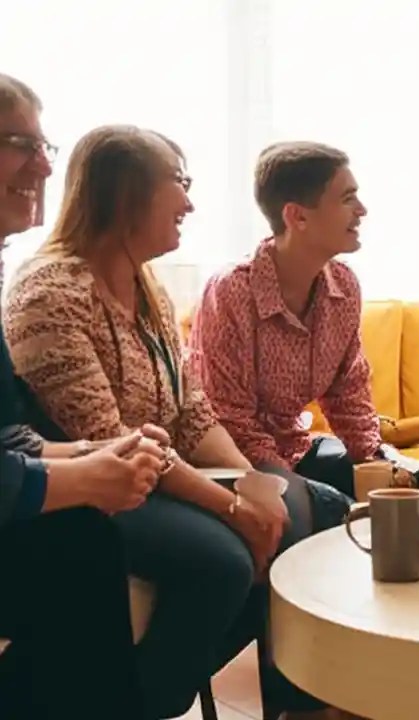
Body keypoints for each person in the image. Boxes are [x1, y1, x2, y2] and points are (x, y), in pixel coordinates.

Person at [3, 124, 349, 719]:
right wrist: (233, 508)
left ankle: (295, 707)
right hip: (97, 487)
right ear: (126, 193)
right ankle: (146, 700)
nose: (189, 202)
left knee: (308, 509)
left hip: (163, 469)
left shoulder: (149, 288)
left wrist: (252, 485)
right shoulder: (50, 290)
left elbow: (190, 409)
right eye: (179, 182)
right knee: (223, 560)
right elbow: (111, 439)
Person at [0, 71, 165, 720]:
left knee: (81, 543)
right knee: (81, 546)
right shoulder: (50, 287)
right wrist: (83, 478)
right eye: (20, 145)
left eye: (44, 147)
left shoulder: (150, 292)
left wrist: (91, 454)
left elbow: (9, 434)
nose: (45, 167)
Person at [188, 141, 381, 499]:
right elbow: (227, 419)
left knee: (404, 491)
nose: (362, 210)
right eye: (347, 198)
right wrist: (292, 486)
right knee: (325, 504)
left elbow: (348, 395)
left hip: (295, 449)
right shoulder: (231, 290)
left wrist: (376, 464)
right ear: (298, 216)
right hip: (233, 460)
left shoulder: (344, 285)